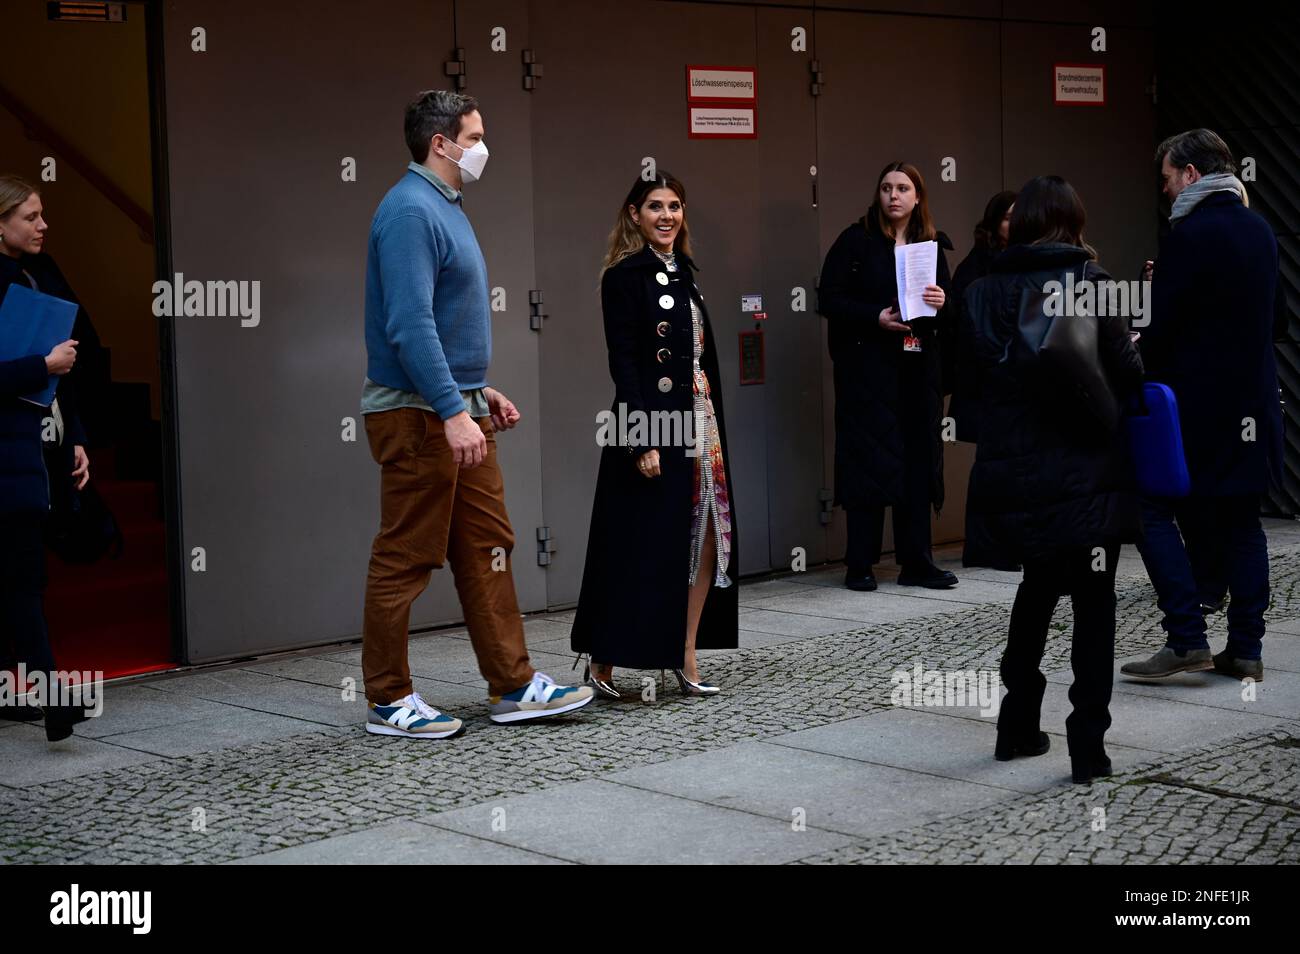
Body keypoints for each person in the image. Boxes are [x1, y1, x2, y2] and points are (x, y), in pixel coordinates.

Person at [360, 90, 593, 738]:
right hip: (417, 418)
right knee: (405, 557)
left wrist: (475, 392)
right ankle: (387, 699)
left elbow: (440, 321)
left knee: (488, 546)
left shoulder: (446, 207)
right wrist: (449, 408)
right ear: (442, 143)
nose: (484, 146)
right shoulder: (410, 210)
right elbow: (408, 325)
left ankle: (514, 684)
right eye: (476, 134)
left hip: (455, 407)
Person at [963, 175, 1144, 783]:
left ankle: (1016, 727)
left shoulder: (983, 291)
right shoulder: (1092, 285)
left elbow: (973, 385)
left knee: (1036, 590)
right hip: (1085, 473)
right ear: (1073, 220)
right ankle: (1088, 749)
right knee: (1094, 602)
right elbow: (1128, 374)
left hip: (1017, 472)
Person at [1121, 129, 1282, 683]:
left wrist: (1139, 348)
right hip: (1252, 406)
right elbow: (1276, 321)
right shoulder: (1260, 229)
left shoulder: (1188, 235)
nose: (1165, 191)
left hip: (1197, 408)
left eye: (1167, 179)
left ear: (1190, 174)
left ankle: (1187, 637)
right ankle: (1246, 650)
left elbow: (1161, 329)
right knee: (1242, 524)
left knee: (1151, 508)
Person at [571, 172, 738, 698]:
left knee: (708, 533)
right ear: (634, 215)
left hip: (700, 418)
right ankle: (603, 663)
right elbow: (624, 363)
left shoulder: (685, 272)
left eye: (674, 206)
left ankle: (684, 654)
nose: (666, 216)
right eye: (654, 207)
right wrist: (640, 438)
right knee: (636, 541)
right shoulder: (625, 276)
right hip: (649, 423)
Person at [817, 161, 957, 592]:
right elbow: (829, 298)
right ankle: (859, 563)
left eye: (902, 188)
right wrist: (873, 316)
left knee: (917, 462)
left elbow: (948, 313)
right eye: (886, 188)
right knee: (869, 463)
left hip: (917, 371)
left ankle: (917, 561)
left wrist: (941, 299)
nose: (893, 196)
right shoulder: (855, 240)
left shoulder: (929, 244)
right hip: (868, 373)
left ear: (918, 197)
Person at [0, 175, 94, 740]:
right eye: (31, 216)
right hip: (7, 456)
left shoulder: (33, 276)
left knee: (18, 577)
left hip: (23, 449)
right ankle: (54, 698)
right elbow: (44, 365)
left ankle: (30, 696)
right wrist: (43, 367)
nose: (43, 225)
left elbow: (63, 369)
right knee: (21, 578)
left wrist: (75, 432)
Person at [949, 190, 1017, 570]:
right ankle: (987, 545)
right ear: (993, 224)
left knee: (1003, 462)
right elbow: (968, 335)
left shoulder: (1016, 264)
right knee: (993, 463)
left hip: (1005, 383)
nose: (1015, 223)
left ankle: (1000, 543)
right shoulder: (977, 270)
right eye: (1008, 217)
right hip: (987, 384)